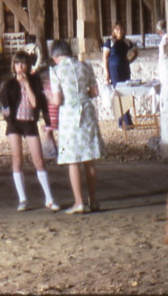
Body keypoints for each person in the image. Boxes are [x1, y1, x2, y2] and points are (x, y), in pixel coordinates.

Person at [0, 50, 60, 211]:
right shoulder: (9, 84)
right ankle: (23, 199)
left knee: (38, 160)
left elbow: (36, 104)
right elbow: (5, 106)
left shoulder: (34, 81)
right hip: (15, 124)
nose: (20, 67)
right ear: (13, 66)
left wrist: (26, 85)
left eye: (23, 63)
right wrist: (9, 120)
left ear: (28, 65)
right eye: (17, 63)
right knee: (17, 158)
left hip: (30, 123)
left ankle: (49, 198)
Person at [49, 38, 105, 214]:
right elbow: (94, 92)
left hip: (70, 116)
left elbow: (57, 100)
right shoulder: (85, 66)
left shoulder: (56, 71)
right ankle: (94, 200)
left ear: (56, 56)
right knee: (89, 159)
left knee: (73, 160)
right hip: (87, 112)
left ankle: (79, 202)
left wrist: (47, 96)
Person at [102, 22, 138, 129]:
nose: (119, 31)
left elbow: (135, 52)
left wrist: (130, 60)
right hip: (114, 69)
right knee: (118, 92)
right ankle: (120, 121)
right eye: (117, 29)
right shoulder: (110, 42)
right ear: (113, 31)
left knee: (126, 91)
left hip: (124, 69)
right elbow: (105, 58)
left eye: (121, 29)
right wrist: (106, 73)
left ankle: (127, 120)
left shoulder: (127, 42)